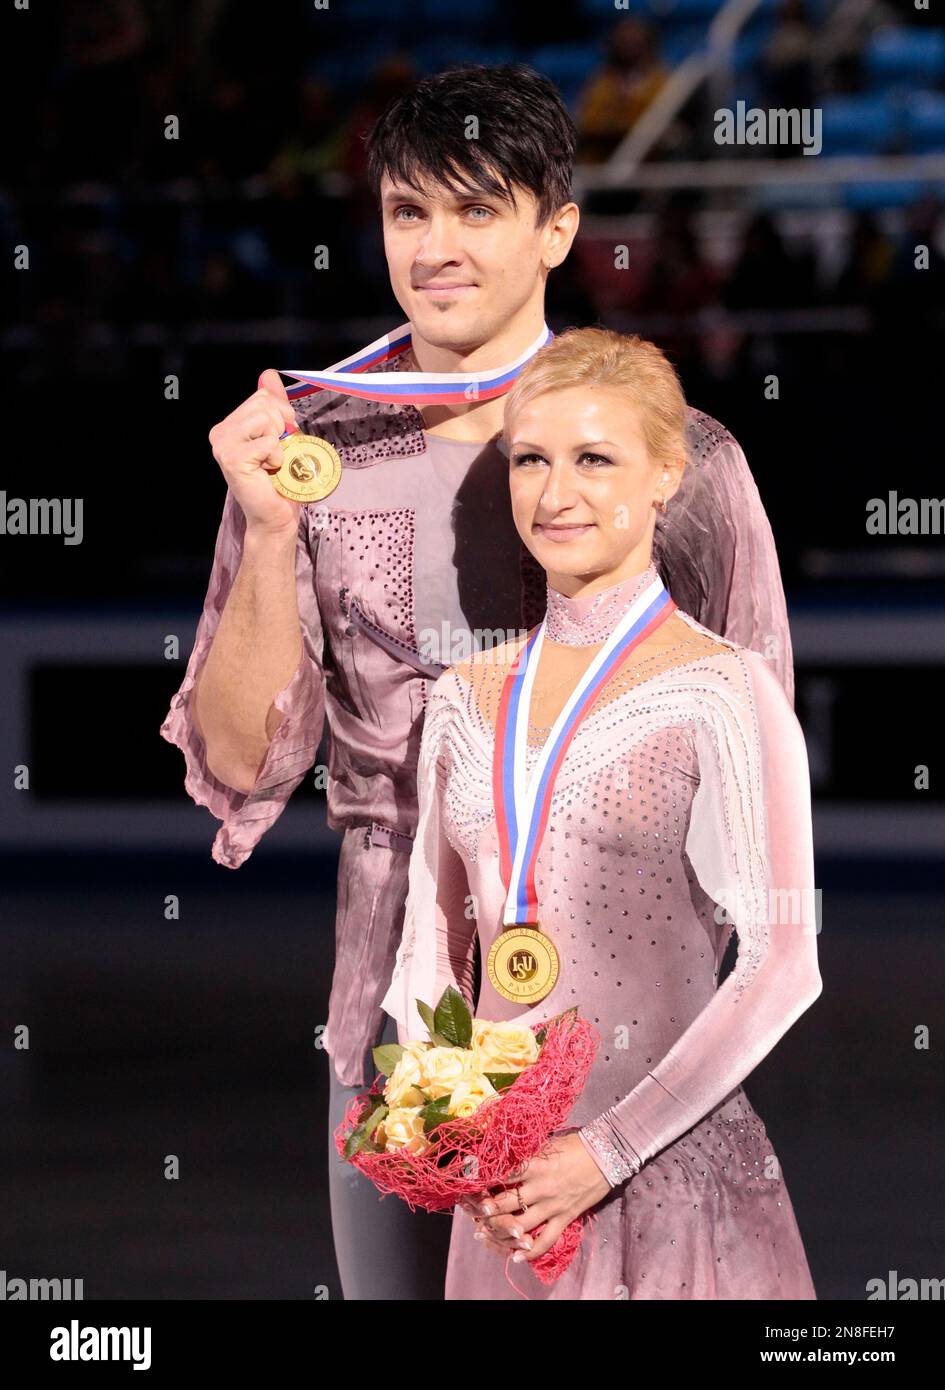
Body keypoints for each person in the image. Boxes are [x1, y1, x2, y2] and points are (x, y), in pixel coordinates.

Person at [160, 63, 795, 1301]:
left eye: (477, 208)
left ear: (559, 228)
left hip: (628, 1016)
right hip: (403, 1022)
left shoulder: (684, 460)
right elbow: (240, 765)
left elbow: (751, 755)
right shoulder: (305, 450)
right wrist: (272, 531)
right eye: (408, 212)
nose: (435, 247)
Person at [381, 326, 822, 1300]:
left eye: (594, 458)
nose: (555, 491)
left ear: (666, 474)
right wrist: (446, 1121)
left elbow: (786, 965)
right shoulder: (462, 698)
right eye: (532, 458)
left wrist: (606, 1150)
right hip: (506, 1205)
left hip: (665, 1181)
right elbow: (432, 949)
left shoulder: (724, 691)